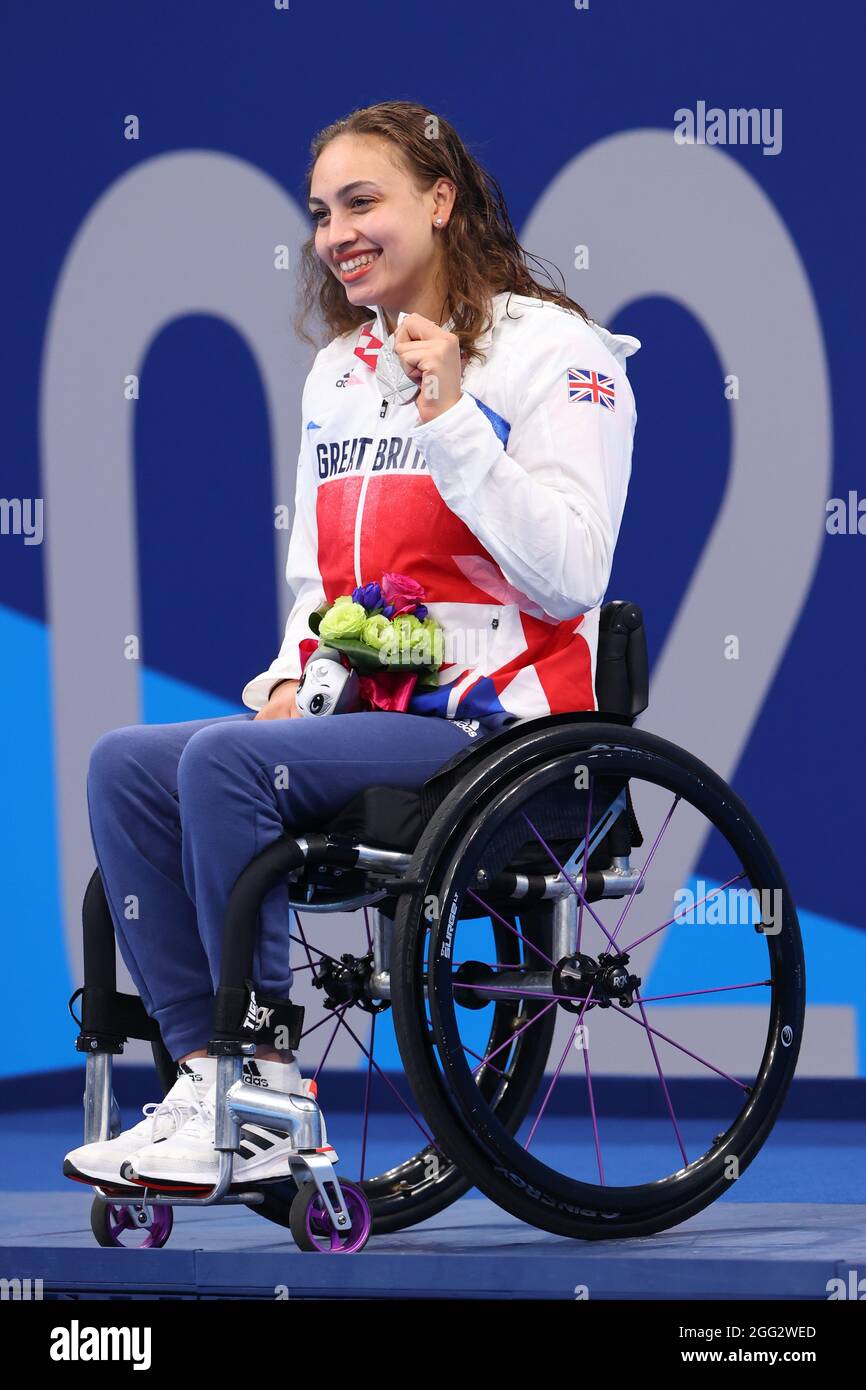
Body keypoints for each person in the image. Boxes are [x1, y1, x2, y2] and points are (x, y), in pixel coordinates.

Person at [64, 99, 640, 1193]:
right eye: (321, 212)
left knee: (221, 762)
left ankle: (264, 1080)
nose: (335, 233)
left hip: (506, 730)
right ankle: (208, 1076)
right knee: (126, 763)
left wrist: (452, 415)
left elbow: (570, 573)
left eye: (361, 201)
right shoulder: (338, 368)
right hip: (366, 721)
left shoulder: (555, 353)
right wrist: (289, 668)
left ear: (440, 199)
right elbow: (317, 580)